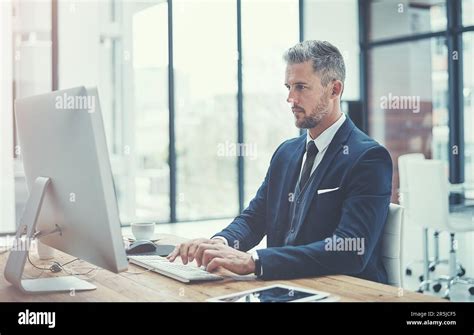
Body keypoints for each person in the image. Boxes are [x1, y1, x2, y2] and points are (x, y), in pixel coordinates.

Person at [167, 40, 392, 283]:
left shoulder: (368, 158)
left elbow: (350, 249)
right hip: (284, 287)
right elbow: (255, 218)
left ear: (334, 90)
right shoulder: (286, 152)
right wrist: (219, 244)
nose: (290, 98)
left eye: (301, 87)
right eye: (288, 87)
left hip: (345, 291)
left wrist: (255, 262)